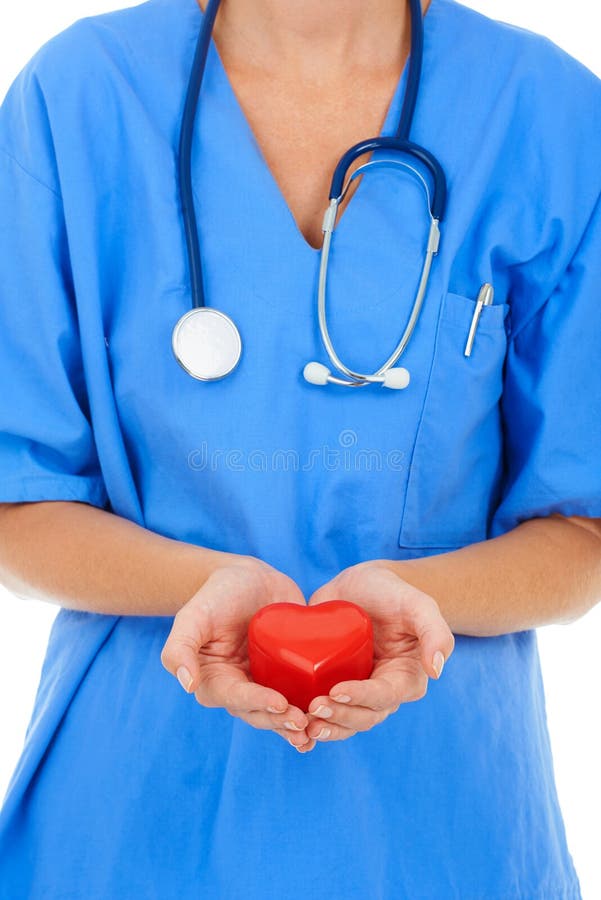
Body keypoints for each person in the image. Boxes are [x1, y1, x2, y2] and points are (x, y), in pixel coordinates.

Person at [0, 0, 600, 895]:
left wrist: (413, 601)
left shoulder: (547, 112)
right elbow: (18, 501)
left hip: (439, 829)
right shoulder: (78, 95)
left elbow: (582, 528)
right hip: (128, 818)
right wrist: (201, 588)